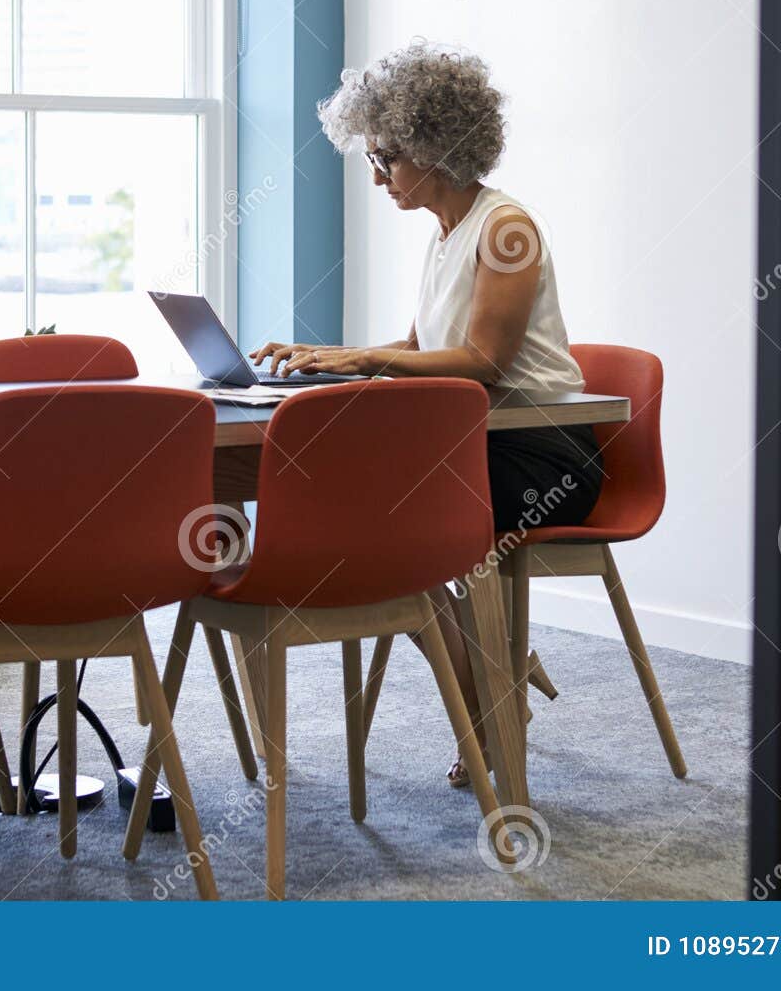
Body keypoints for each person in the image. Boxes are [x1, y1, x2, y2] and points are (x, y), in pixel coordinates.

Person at [251, 42, 604, 786]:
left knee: (395, 529)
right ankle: (495, 684)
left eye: (387, 158)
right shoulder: (446, 233)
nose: (377, 177)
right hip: (479, 447)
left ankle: (490, 699)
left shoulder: (506, 230)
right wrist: (328, 354)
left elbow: (483, 362)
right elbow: (419, 345)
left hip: (545, 454)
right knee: (385, 530)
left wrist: (360, 362)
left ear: (437, 146)